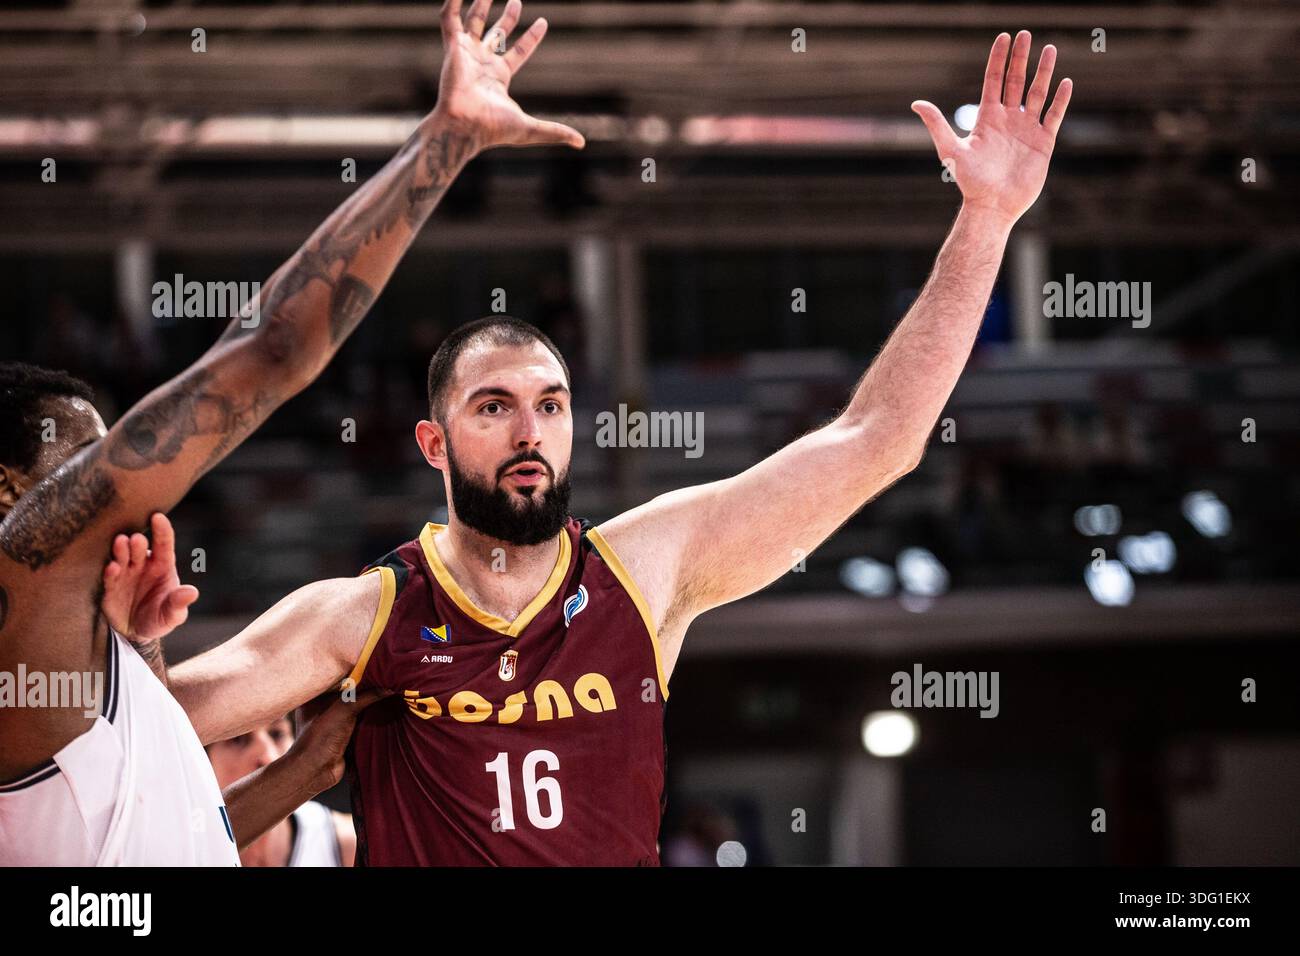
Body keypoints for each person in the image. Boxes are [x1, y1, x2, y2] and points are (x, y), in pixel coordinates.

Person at [108, 29, 1073, 866]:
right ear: (433, 443)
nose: (531, 430)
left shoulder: (649, 570)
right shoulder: (364, 613)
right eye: (494, 407)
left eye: (552, 405)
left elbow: (877, 441)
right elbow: (150, 733)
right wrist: (142, 641)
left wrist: (985, 221)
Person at [0, 0, 582, 865]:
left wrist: (147, 651)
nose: (107, 477)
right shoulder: (25, 573)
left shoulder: (74, 660)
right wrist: (444, 143)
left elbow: (172, 831)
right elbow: (272, 348)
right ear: (10, 495)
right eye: (76, 463)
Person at [206, 715, 356, 867]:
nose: (268, 757)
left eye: (277, 734)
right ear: (202, 760)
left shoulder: (348, 845)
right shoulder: (187, 849)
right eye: (237, 739)